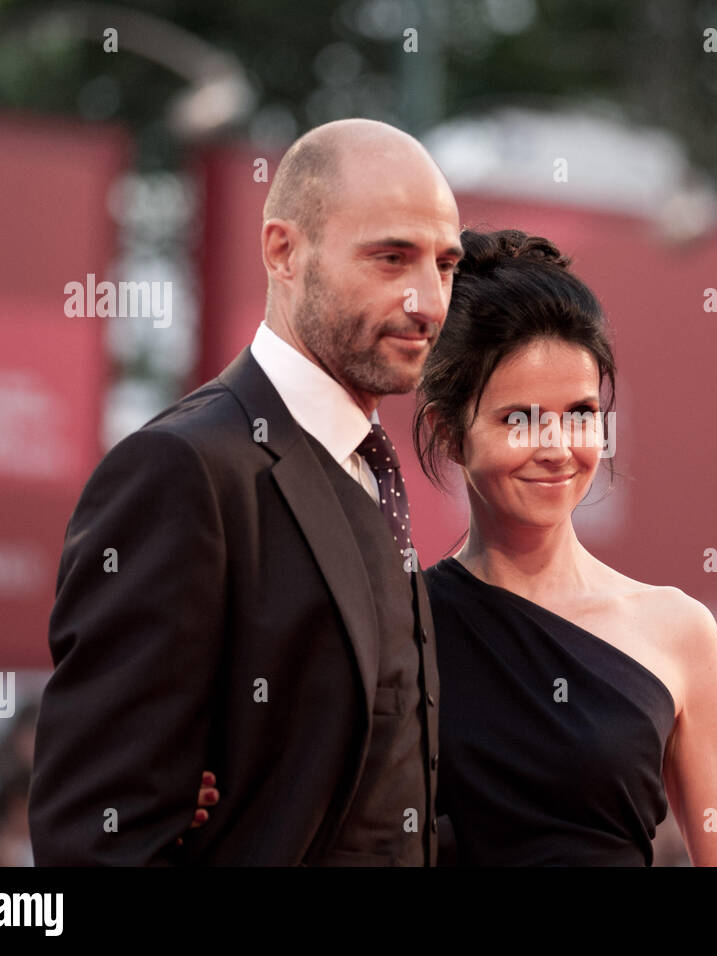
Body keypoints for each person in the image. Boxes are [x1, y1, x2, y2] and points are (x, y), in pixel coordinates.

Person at [196, 228, 717, 865]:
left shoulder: (678, 631)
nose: (555, 447)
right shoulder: (394, 627)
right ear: (448, 431)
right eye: (518, 417)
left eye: (580, 413)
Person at [28, 118, 464, 865]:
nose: (427, 300)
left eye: (446, 264)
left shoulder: (372, 471)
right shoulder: (180, 471)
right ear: (283, 251)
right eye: (391, 257)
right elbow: (97, 839)